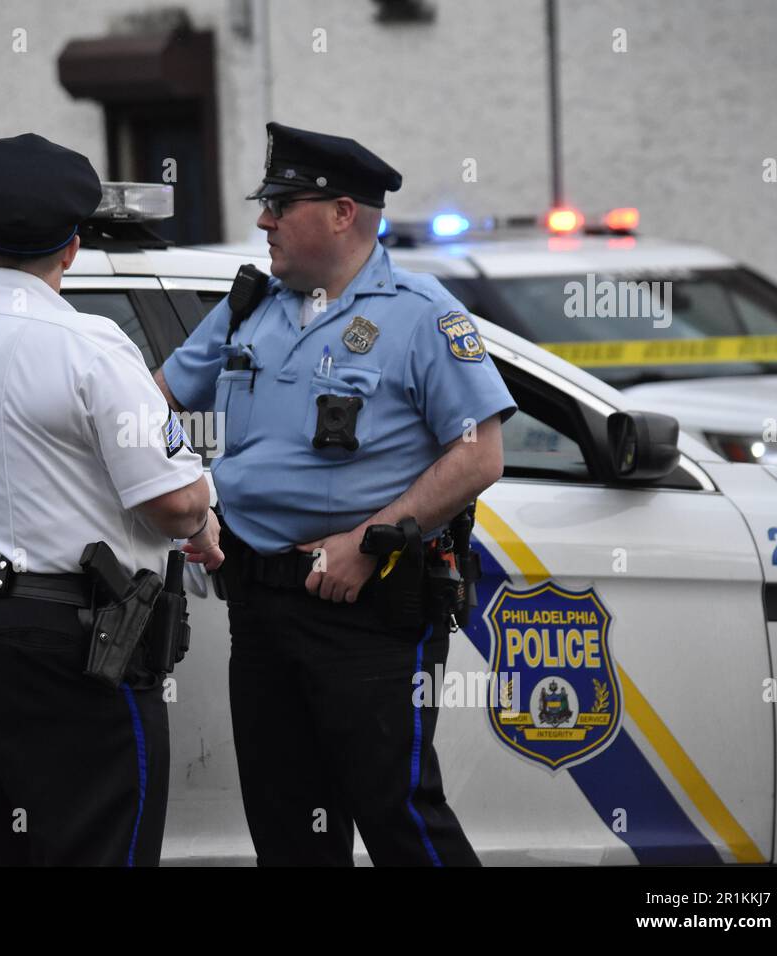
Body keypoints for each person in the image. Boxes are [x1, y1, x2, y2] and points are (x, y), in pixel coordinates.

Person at [154, 122, 516, 866]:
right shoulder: (252, 304)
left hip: (365, 607)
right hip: (258, 603)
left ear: (343, 213)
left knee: (400, 820)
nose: (263, 221)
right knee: (289, 827)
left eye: (281, 204)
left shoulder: (421, 313)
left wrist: (370, 540)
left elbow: (479, 455)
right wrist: (187, 495)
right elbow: (149, 400)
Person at [0, 132, 224, 866]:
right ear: (71, 248)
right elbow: (171, 504)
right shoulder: (91, 347)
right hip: (64, 644)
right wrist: (203, 504)